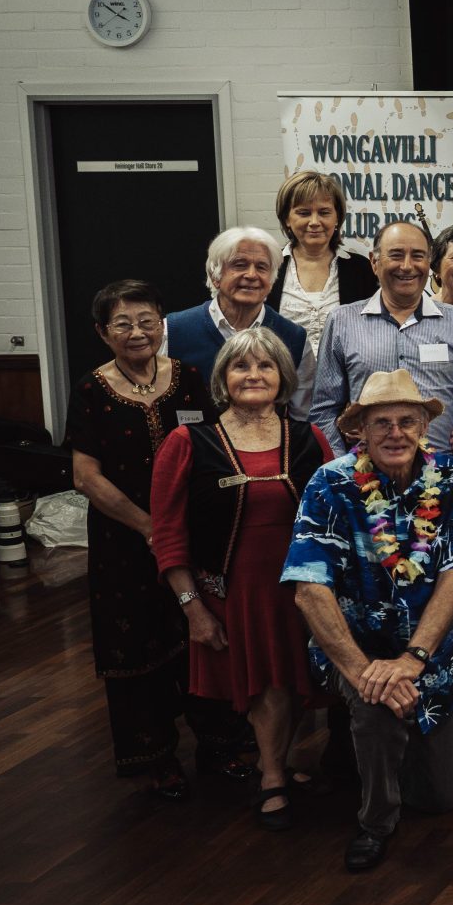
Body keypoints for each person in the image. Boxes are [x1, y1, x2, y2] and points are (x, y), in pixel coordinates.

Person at [284, 369, 453, 872]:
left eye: (407, 421)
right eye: (381, 423)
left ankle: (381, 752)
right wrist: (364, 672)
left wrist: (413, 659)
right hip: (355, 648)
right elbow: (309, 590)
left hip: (429, 655)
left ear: (424, 427)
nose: (395, 433)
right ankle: (375, 821)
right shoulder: (330, 484)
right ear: (359, 431)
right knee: (376, 705)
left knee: (439, 798)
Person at [151, 327, 331, 830]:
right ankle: (273, 775)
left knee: (297, 682)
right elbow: (166, 533)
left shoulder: (309, 437)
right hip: (234, 591)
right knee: (267, 686)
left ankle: (281, 762)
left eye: (265, 366)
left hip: (302, 587)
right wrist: (192, 608)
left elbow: (338, 510)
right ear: (222, 378)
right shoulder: (188, 442)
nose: (253, 375)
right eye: (241, 367)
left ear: (284, 377)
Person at [68, 280, 226, 797]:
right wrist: (147, 526)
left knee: (203, 635)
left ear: (163, 324)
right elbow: (86, 477)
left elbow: (212, 447)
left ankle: (220, 746)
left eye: (148, 321)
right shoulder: (92, 389)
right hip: (123, 543)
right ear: (102, 332)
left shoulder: (189, 378)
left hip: (192, 532)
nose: (138, 333)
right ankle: (155, 757)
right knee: (138, 644)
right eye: (123, 324)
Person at [306, 220, 453, 463]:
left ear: (429, 262)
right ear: (374, 261)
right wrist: (343, 467)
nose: (407, 266)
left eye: (418, 256)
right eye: (396, 255)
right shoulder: (342, 322)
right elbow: (324, 410)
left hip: (444, 478)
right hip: (365, 482)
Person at [269, 171, 378, 393]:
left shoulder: (361, 270)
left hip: (348, 394)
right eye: (304, 212)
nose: (314, 222)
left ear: (337, 218)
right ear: (287, 219)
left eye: (324, 212)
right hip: (282, 396)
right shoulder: (269, 268)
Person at [166, 226, 308, 377]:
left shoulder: (294, 338)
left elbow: (301, 400)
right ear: (215, 276)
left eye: (261, 267)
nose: (252, 275)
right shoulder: (172, 331)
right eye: (240, 265)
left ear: (271, 280)